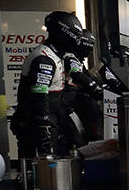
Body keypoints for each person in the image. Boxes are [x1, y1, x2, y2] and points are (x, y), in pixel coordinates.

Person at [10, 11, 95, 158]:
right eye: (75, 36)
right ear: (65, 34)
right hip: (36, 123)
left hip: (48, 118)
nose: (77, 41)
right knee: (39, 167)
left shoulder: (55, 55)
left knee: (51, 163)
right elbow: (39, 95)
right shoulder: (45, 59)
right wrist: (44, 126)